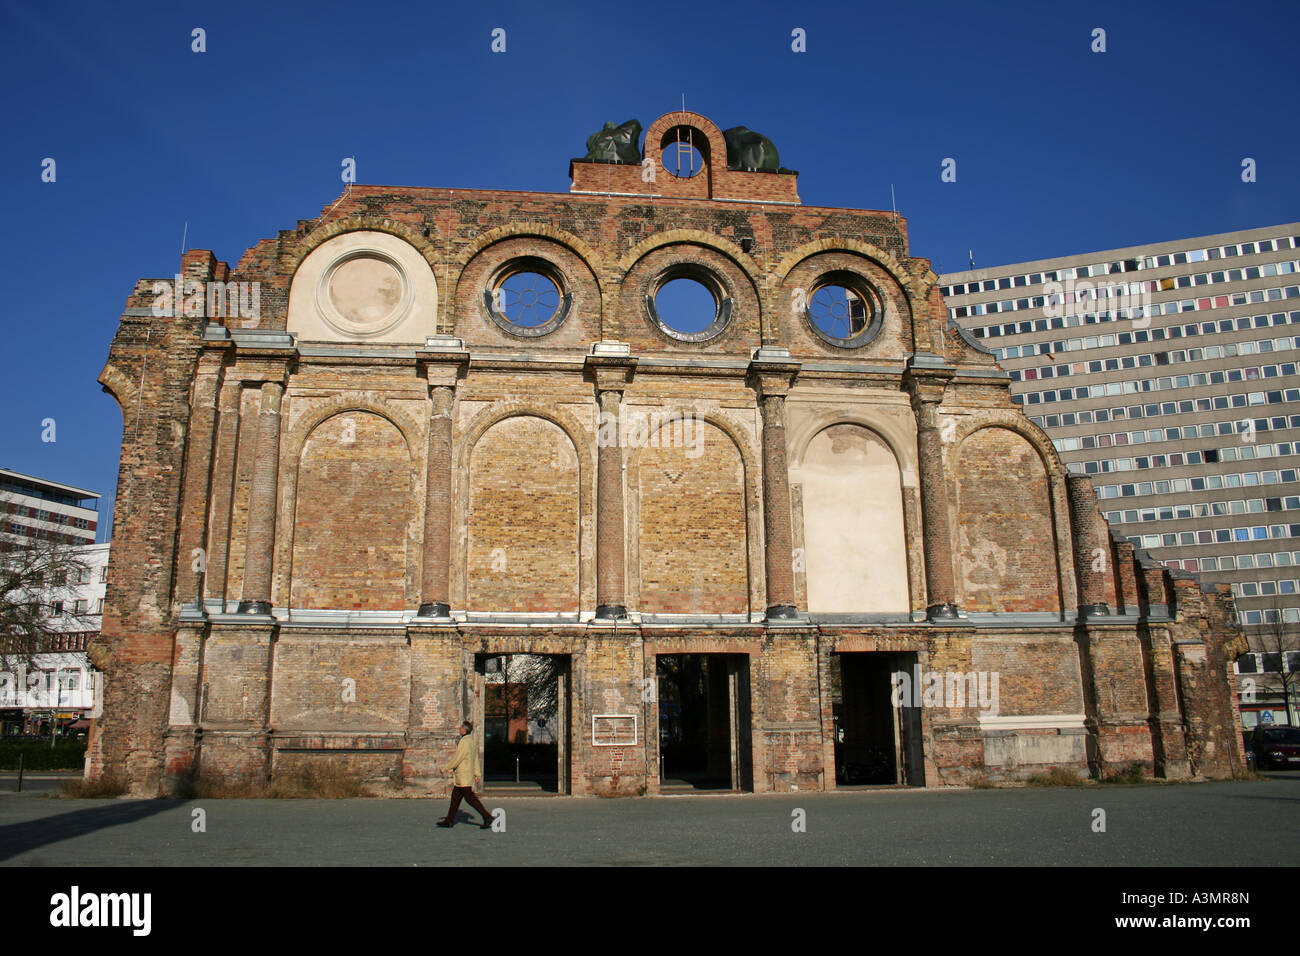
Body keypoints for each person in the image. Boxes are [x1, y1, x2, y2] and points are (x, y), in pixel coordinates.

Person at [437, 720, 492, 829]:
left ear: (464, 730)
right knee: (455, 799)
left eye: (461, 727)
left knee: (470, 798)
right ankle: (449, 820)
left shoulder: (464, 742)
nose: (459, 729)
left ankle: (487, 816)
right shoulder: (471, 742)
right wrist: (477, 774)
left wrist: (445, 768)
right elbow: (475, 759)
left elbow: (458, 758)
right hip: (465, 775)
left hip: (463, 776)